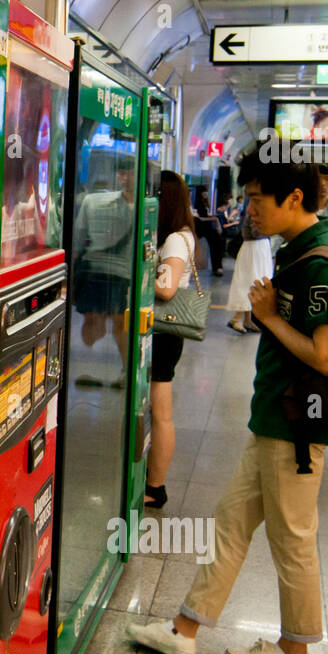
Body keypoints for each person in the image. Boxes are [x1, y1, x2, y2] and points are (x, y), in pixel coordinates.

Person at [127, 152, 328, 654]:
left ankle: (296, 653)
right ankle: (185, 631)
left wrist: (267, 317)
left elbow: (324, 356)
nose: (248, 209)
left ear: (293, 198)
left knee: (292, 539)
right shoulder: (298, 249)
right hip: (274, 419)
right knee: (230, 524)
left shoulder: (317, 259)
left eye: (255, 199)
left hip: (295, 424)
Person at [146, 171, 197, 509]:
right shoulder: (181, 234)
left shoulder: (176, 239)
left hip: (165, 332)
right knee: (156, 410)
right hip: (164, 332)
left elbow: (166, 287)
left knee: (161, 413)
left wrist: (137, 276)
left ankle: (156, 486)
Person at [72, 161, 135, 387]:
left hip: (108, 272)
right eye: (122, 172)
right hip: (111, 272)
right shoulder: (114, 204)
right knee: (110, 322)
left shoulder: (91, 202)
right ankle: (111, 371)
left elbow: (79, 240)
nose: (124, 177)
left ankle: (105, 371)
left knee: (105, 321)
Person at [226, 188, 272, 334]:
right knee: (249, 281)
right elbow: (255, 232)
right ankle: (237, 318)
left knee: (254, 280)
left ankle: (248, 319)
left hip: (258, 248)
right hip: (254, 249)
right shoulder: (254, 213)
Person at [193, 187, 225, 277]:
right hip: (201, 227)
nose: (206, 194)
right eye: (204, 192)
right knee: (216, 242)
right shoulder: (198, 204)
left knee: (217, 243)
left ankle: (217, 266)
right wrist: (215, 219)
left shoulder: (204, 203)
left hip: (205, 226)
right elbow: (199, 218)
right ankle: (217, 267)